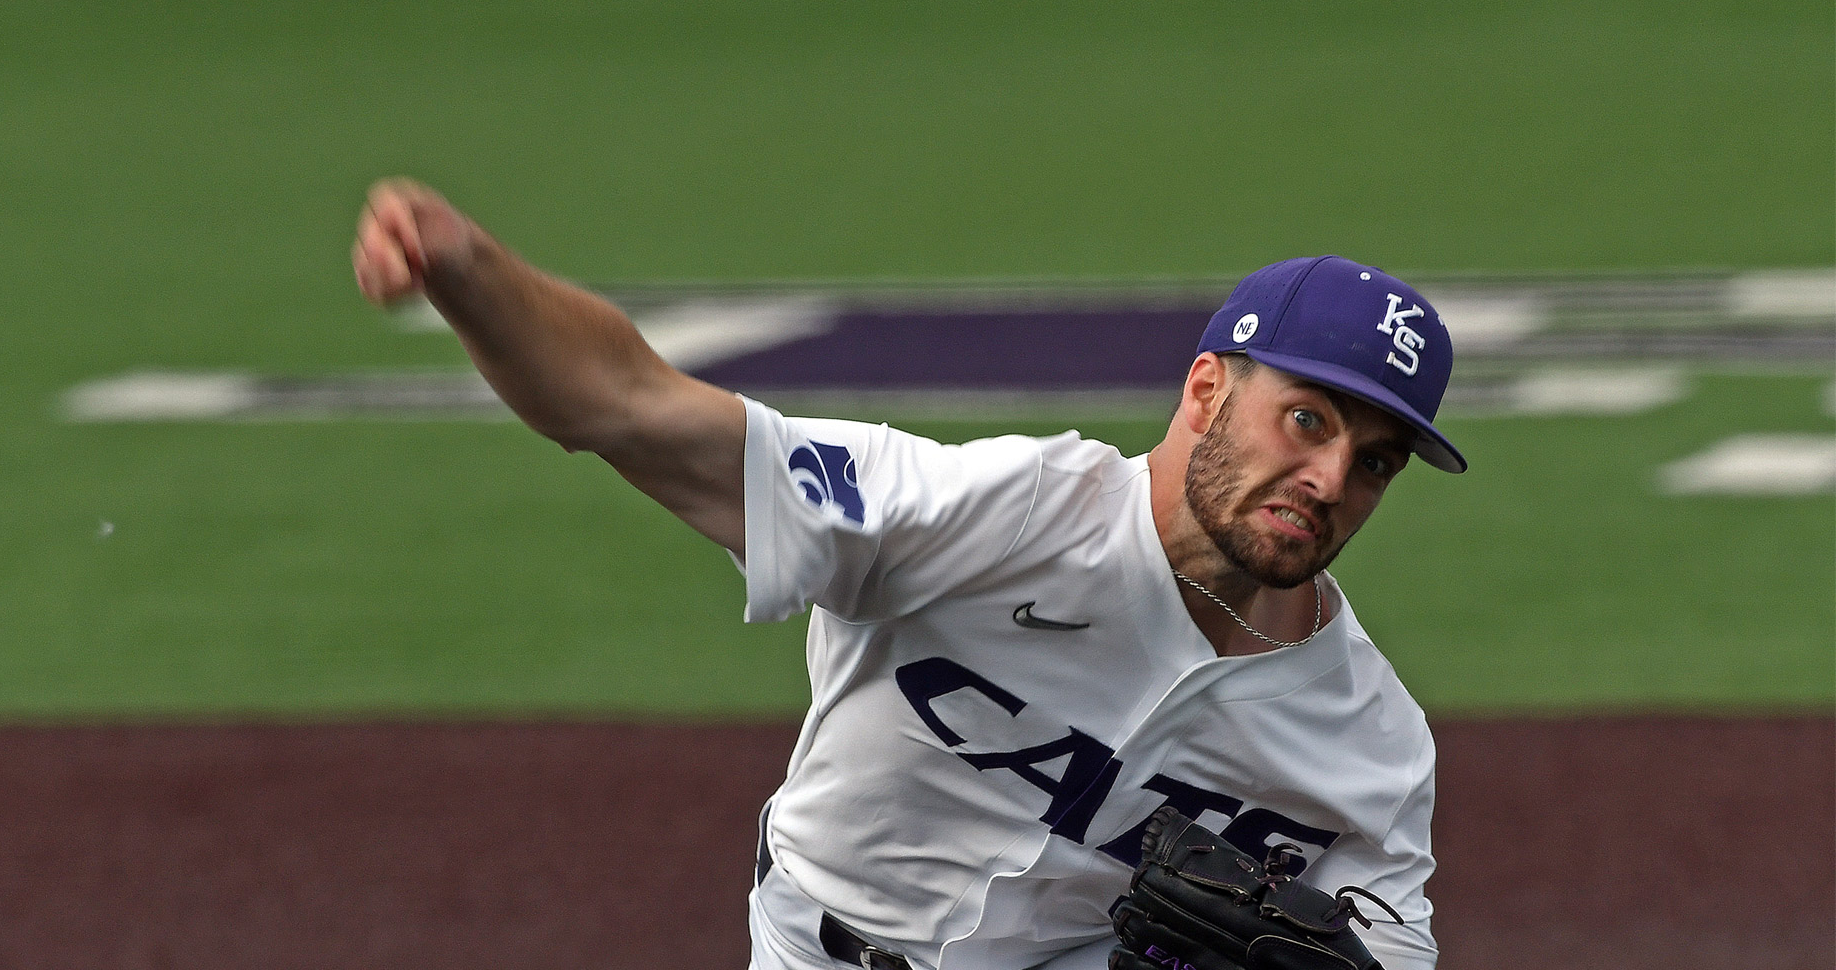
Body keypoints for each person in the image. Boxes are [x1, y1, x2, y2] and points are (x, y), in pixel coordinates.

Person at [352, 178, 1465, 970]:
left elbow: (1387, 946)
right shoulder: (992, 517)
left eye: (1372, 462)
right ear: (1208, 390)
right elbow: (628, 405)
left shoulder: (1367, 738)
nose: (1328, 478)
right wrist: (467, 269)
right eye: (1305, 419)